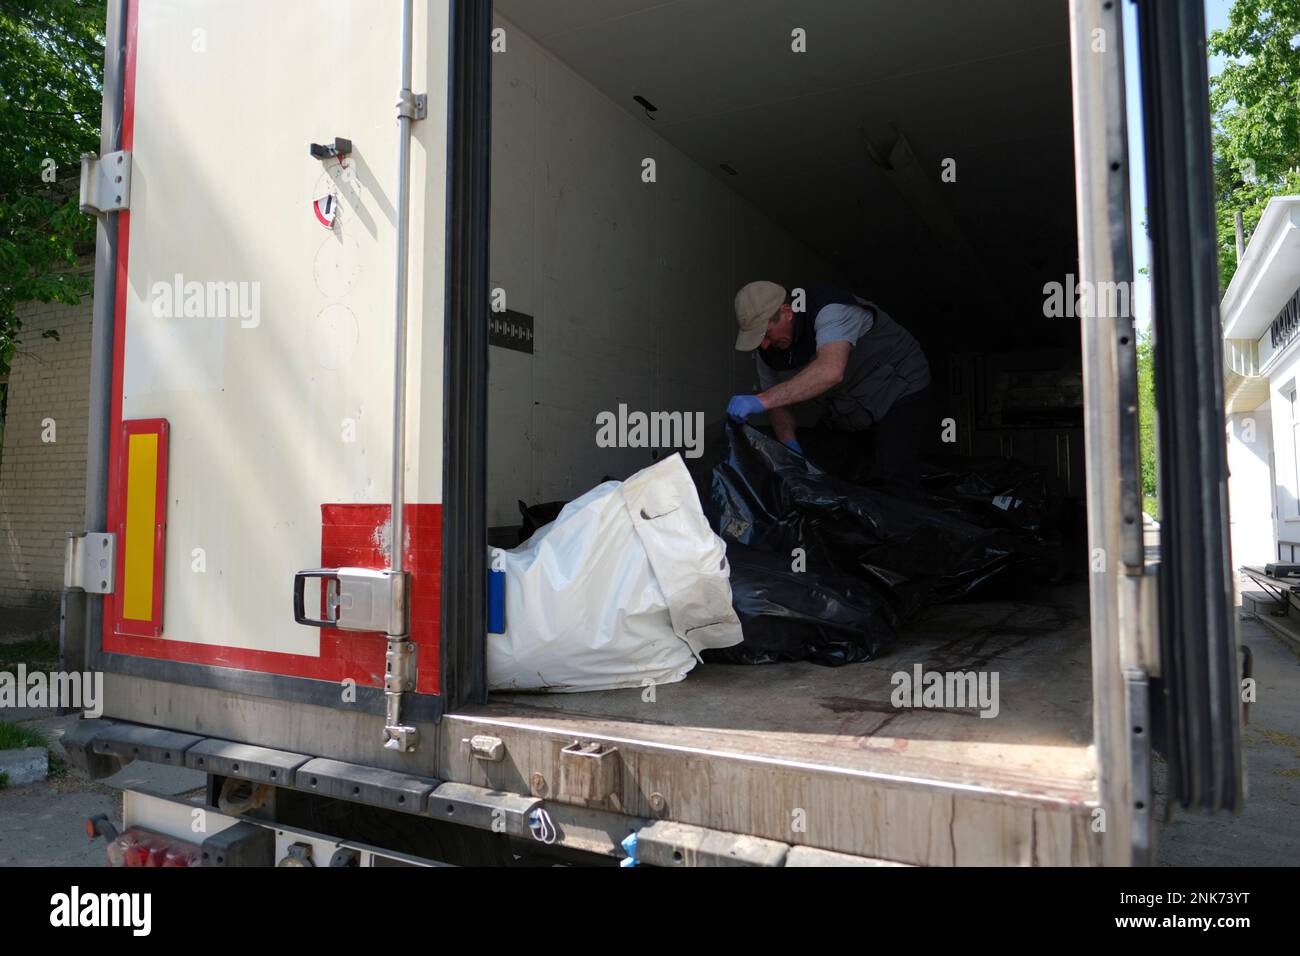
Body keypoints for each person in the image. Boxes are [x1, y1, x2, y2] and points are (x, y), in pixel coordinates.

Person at [726, 280, 932, 474]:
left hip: (900, 386)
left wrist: (761, 400)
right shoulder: (768, 351)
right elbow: (777, 404)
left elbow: (830, 370)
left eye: (766, 334)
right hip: (851, 404)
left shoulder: (830, 309)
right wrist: (789, 445)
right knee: (827, 466)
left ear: (786, 312)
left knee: (894, 468)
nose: (763, 345)